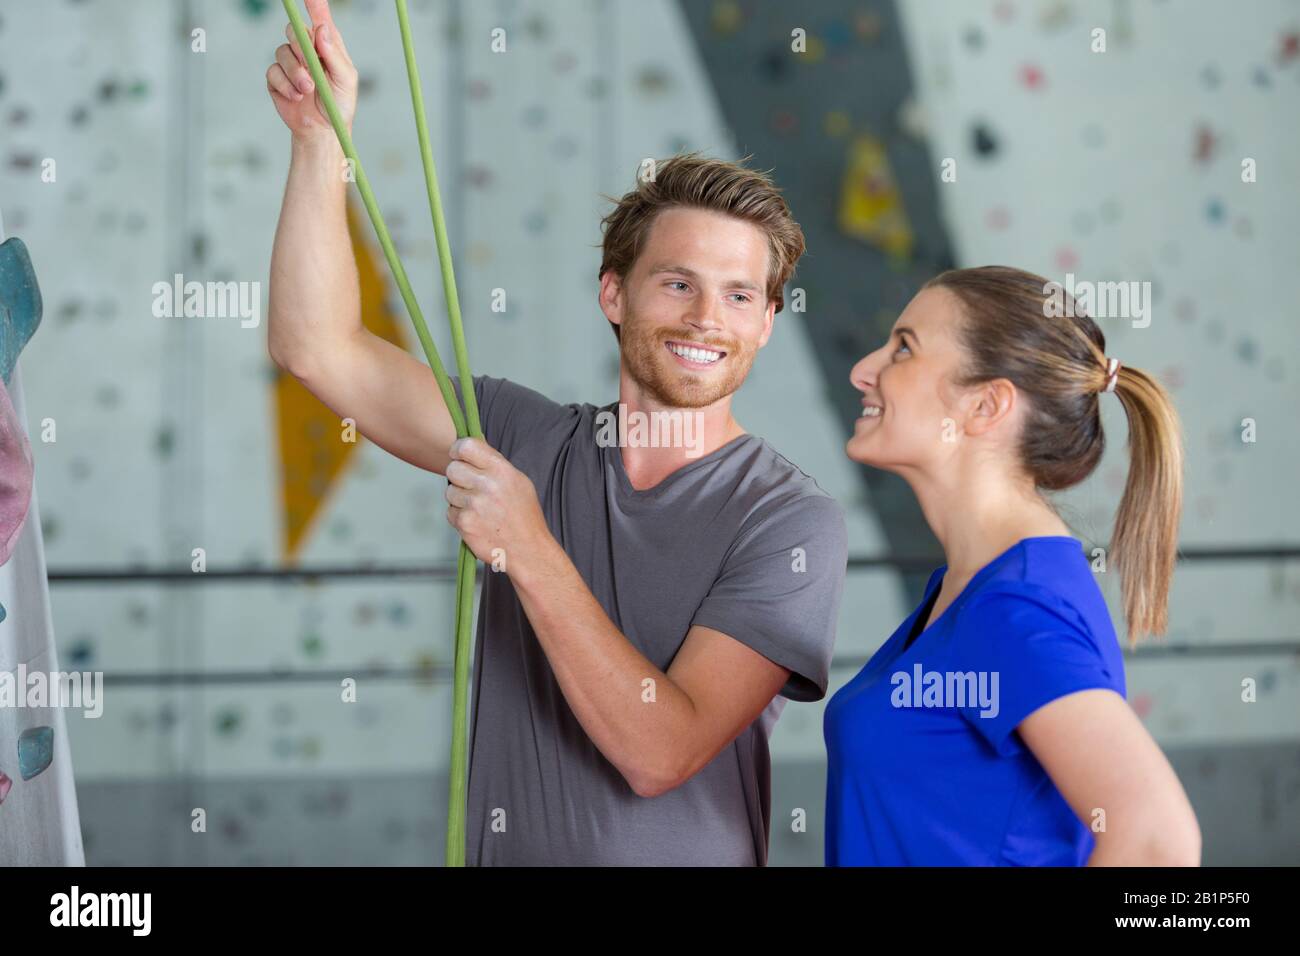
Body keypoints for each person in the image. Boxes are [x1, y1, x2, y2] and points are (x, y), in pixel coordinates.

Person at [265, 0, 847, 865]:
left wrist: (526, 547)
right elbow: (319, 351)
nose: (706, 318)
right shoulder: (520, 436)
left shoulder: (790, 522)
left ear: (766, 322)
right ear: (614, 295)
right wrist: (320, 145)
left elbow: (662, 751)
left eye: (737, 296)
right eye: (676, 283)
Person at [825, 266, 1201, 866]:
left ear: (986, 405)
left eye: (903, 347)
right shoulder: (972, 588)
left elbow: (1158, 841)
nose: (863, 370)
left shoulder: (1014, 605)